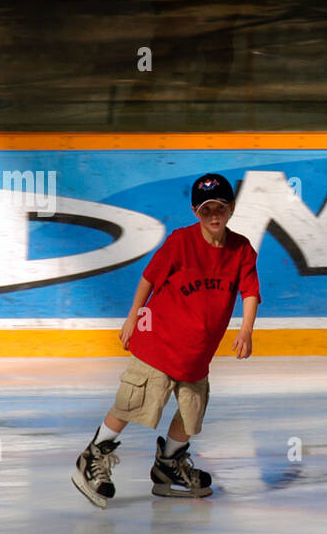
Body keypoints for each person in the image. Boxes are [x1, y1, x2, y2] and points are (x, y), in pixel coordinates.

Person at [73, 172, 260, 508]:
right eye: (206, 210)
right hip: (158, 346)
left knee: (191, 415)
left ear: (231, 208)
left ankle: (168, 466)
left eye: (220, 207)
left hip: (195, 356)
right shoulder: (180, 242)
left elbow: (250, 292)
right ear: (194, 212)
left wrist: (246, 329)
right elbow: (148, 278)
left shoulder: (241, 249)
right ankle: (92, 457)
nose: (213, 215)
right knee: (131, 403)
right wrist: (133, 317)